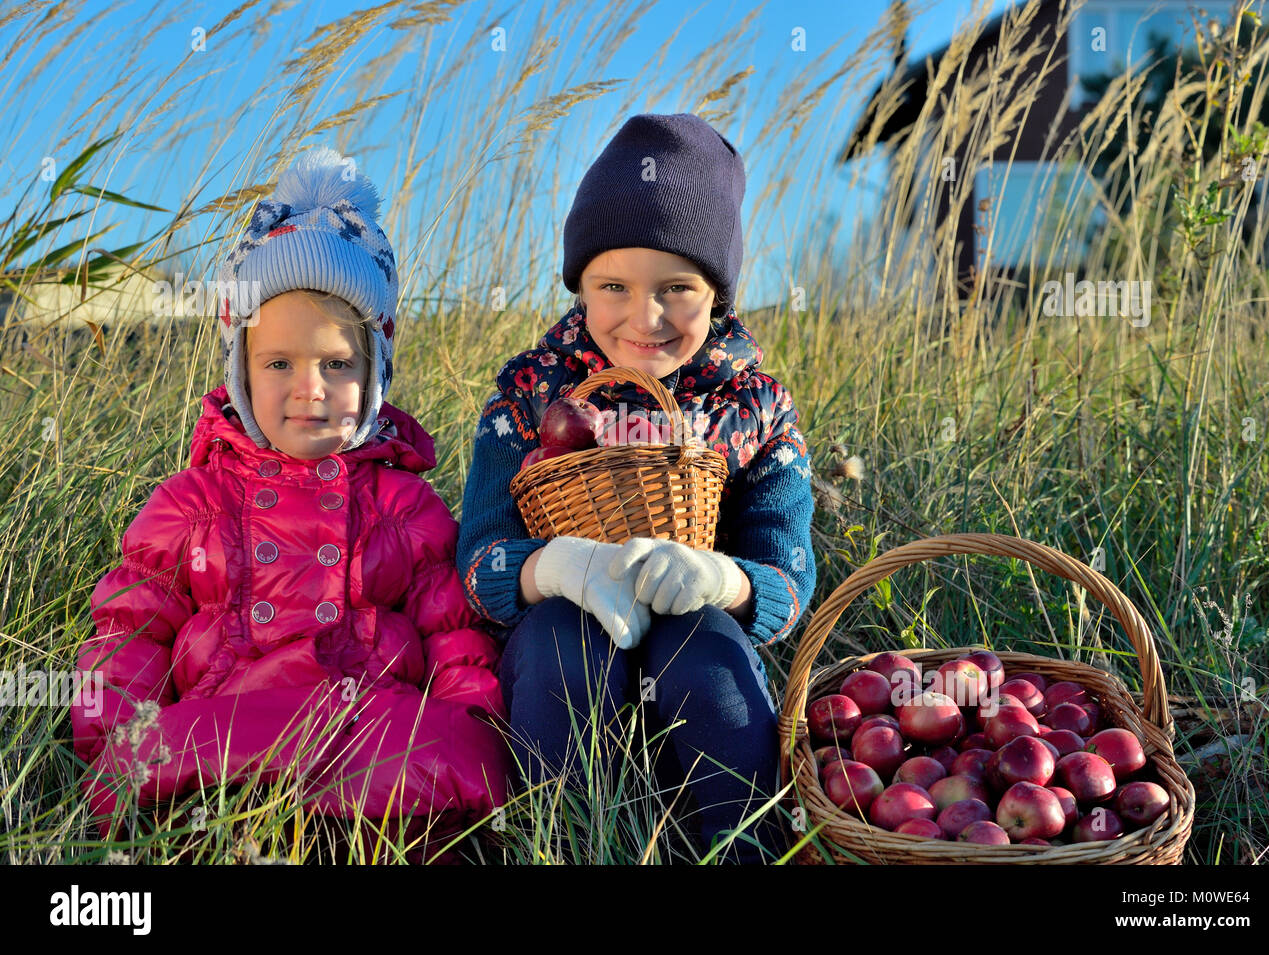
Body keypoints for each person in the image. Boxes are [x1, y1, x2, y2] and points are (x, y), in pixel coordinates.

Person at [71, 147, 510, 861]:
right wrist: (115, 736)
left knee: (426, 828)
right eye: (279, 363)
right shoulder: (191, 505)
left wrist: (468, 727)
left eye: (337, 363)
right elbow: (129, 634)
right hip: (224, 747)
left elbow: (453, 634)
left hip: (375, 746)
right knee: (205, 832)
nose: (310, 388)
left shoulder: (407, 508)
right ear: (240, 372)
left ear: (375, 373)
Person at [455, 113, 816, 863]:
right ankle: (558, 840)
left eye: (676, 287)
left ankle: (746, 843)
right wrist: (546, 566)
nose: (644, 317)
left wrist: (722, 578)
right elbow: (478, 555)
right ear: (580, 283)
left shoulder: (753, 407)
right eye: (612, 284)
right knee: (563, 642)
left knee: (705, 649)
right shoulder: (530, 393)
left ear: (717, 293)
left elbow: (788, 574)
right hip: (563, 665)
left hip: (694, 661)